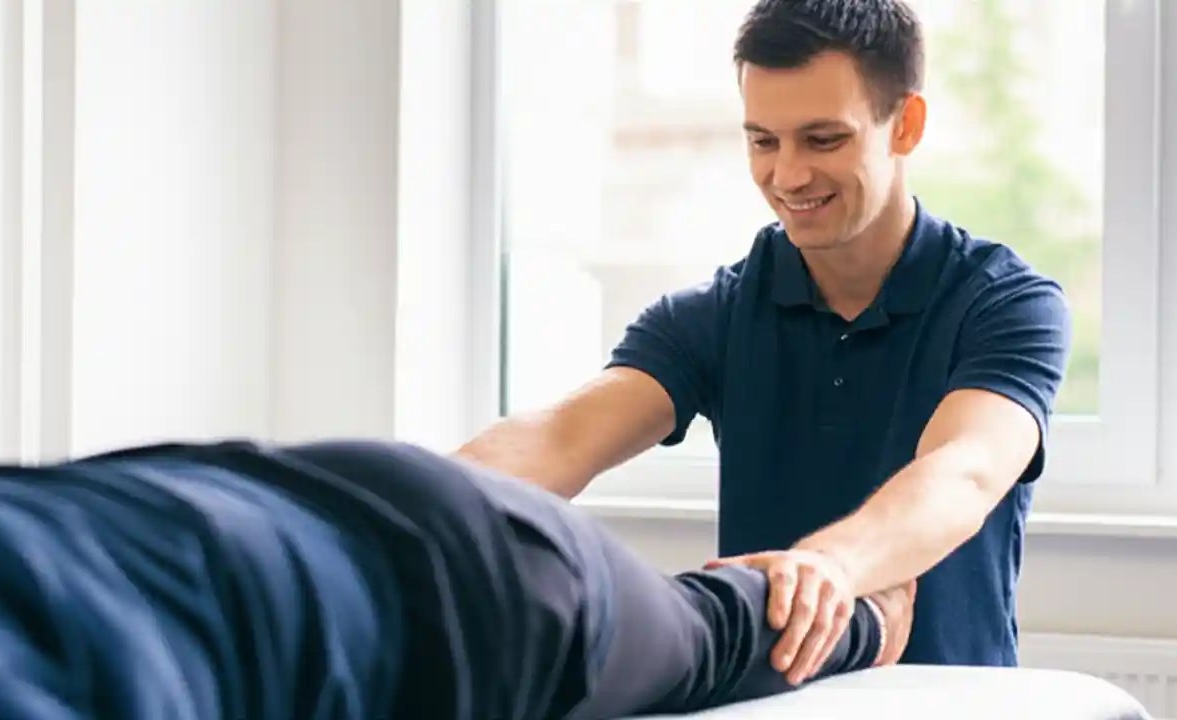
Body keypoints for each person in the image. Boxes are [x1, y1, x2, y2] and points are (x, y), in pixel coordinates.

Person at [455, 0, 1071, 684]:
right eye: (763, 141)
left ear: (905, 125)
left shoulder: (1006, 304)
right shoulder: (715, 315)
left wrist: (831, 567)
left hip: (947, 701)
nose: (788, 176)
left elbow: (968, 470)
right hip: (773, 702)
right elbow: (561, 436)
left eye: (823, 139)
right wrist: (405, 511)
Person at [0, 438, 914, 720]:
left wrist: (846, 576)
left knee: (708, 638)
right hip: (307, 485)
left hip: (476, 589)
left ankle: (873, 621)